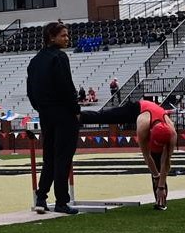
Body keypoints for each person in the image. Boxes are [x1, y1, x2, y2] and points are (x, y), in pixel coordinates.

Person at [81, 98, 177, 209]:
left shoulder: (172, 134)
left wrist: (161, 186)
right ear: (150, 133)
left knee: (159, 162)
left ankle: (160, 201)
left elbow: (166, 161)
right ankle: (79, 116)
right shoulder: (143, 125)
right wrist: (156, 175)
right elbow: (146, 155)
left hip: (154, 117)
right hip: (136, 109)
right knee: (106, 116)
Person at [27, 21, 82, 215]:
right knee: (63, 158)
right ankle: (61, 201)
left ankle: (41, 198)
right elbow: (66, 86)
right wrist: (75, 108)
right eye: (63, 36)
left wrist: (41, 107)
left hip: (46, 114)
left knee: (49, 157)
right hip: (64, 113)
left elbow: (30, 90)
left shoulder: (35, 60)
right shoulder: (60, 57)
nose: (67, 39)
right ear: (52, 37)